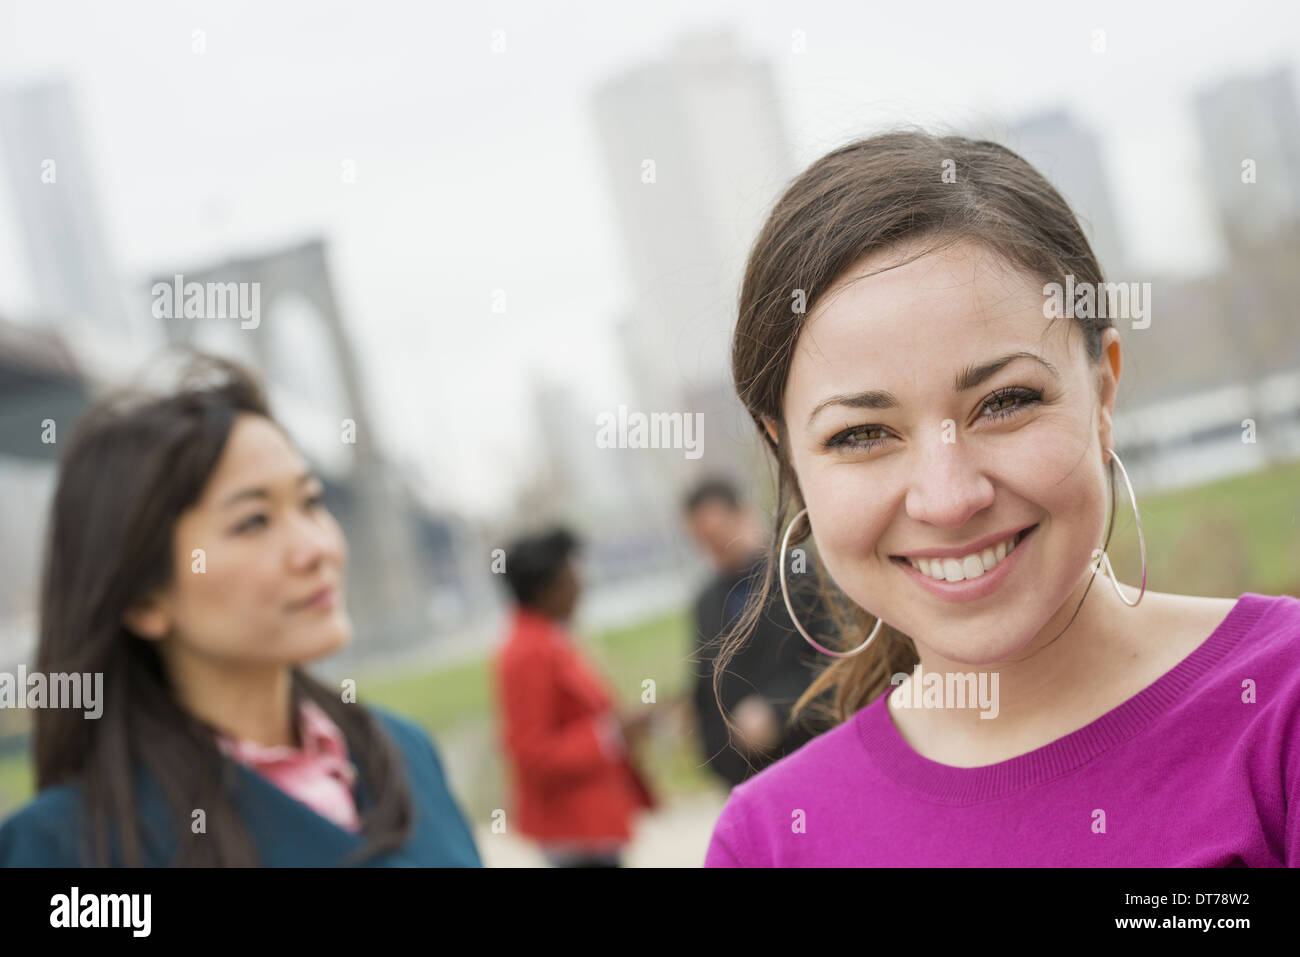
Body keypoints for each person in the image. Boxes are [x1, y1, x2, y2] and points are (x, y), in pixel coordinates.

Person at [705, 130, 1300, 867]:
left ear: (1103, 391)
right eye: (862, 435)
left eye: (1005, 401)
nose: (950, 498)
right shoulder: (768, 840)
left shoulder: (1281, 708)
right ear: (786, 452)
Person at [0, 353, 481, 867]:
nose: (315, 546)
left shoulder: (406, 751)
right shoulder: (64, 849)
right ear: (143, 599)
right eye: (253, 522)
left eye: (311, 502)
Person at [493, 526, 656, 867]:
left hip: (591, 825)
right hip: (573, 832)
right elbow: (532, 753)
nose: (581, 586)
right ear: (545, 589)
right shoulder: (526, 652)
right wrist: (611, 735)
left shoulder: (550, 638)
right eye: (570, 578)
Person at [683, 476, 830, 788]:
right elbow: (705, 691)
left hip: (816, 755)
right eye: (703, 541)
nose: (714, 548)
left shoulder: (801, 572)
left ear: (743, 515)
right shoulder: (706, 602)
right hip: (751, 777)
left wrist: (776, 710)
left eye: (719, 534)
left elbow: (836, 659)